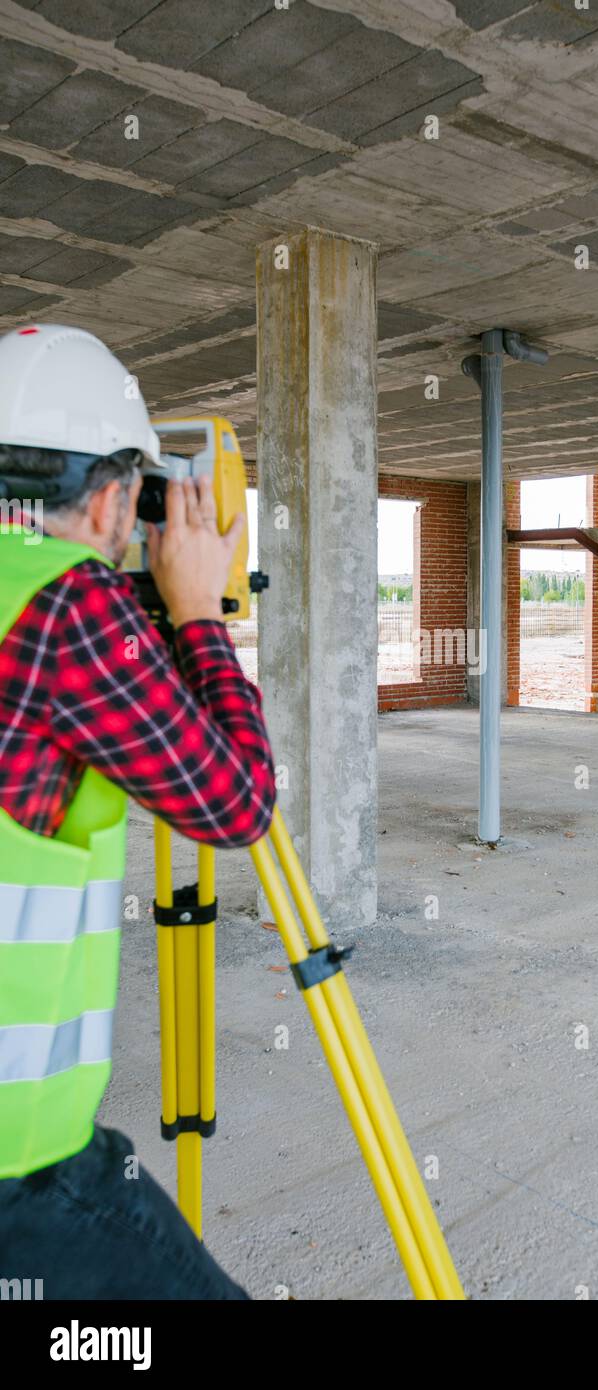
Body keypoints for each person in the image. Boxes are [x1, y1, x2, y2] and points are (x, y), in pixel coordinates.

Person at [0, 324, 275, 1298]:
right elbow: (235, 803)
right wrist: (198, 615)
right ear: (116, 494)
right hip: (20, 1164)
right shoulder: (67, 606)